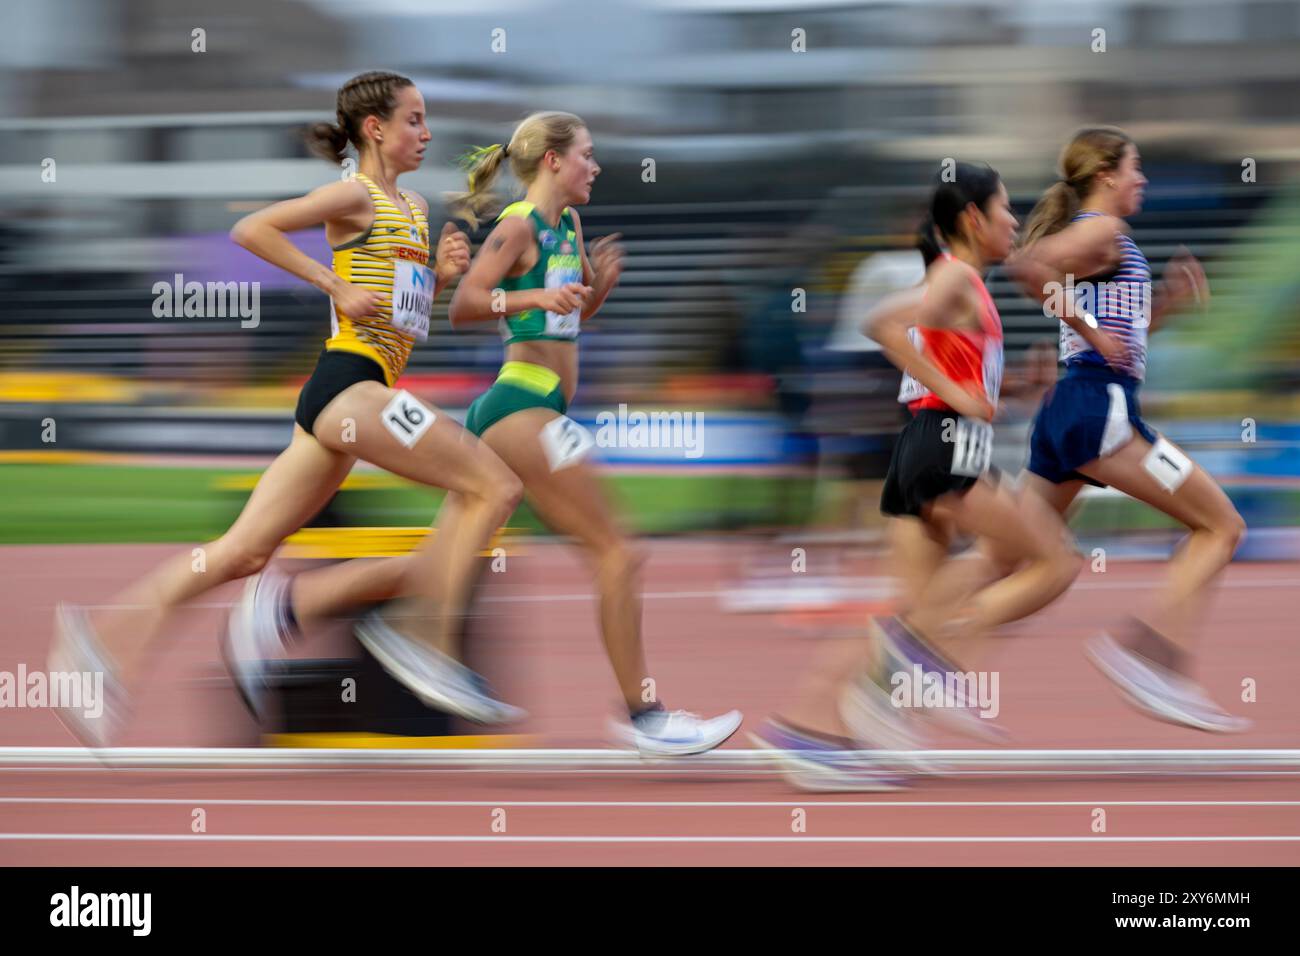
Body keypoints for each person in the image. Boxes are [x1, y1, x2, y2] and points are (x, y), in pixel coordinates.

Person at [51, 70, 525, 746]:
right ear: (375, 129)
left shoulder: (413, 209)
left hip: (355, 398)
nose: (426, 133)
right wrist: (330, 281)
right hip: (347, 386)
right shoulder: (351, 196)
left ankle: (93, 642)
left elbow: (398, 313)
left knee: (240, 554)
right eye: (414, 120)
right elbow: (253, 229)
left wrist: (441, 278)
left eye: (426, 120)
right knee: (494, 483)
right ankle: (425, 642)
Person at [751, 163, 1081, 790]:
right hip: (946, 446)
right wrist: (959, 391)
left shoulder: (963, 284)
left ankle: (804, 731)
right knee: (1052, 562)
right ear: (971, 219)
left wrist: (1009, 386)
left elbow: (943, 370)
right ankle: (931, 664)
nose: (1015, 220)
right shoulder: (955, 276)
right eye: (1007, 208)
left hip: (924, 446)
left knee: (907, 610)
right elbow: (881, 324)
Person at [445, 111, 742, 755]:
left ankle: (302, 607)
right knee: (619, 552)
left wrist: (596, 291)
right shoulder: (518, 224)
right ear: (553, 160)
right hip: (519, 406)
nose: (596, 166)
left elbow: (565, 317)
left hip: (550, 409)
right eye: (586, 154)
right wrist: (530, 301)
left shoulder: (568, 225)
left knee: (440, 559)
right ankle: (645, 716)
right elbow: (466, 302)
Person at [1012, 126, 1248, 731]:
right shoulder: (1104, 230)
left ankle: (909, 662)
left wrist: (1164, 301)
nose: (1143, 179)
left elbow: (1125, 341)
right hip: (1102, 414)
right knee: (1221, 525)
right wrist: (1091, 331)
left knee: (1009, 558)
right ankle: (1148, 656)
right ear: (1106, 175)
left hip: (1070, 412)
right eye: (1136, 167)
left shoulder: (1108, 241)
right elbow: (1027, 265)